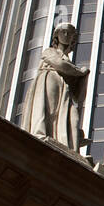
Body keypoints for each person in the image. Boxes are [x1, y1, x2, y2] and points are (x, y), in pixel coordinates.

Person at [20, 23, 89, 152]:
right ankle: (43, 135)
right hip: (50, 79)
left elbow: (79, 96)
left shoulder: (69, 63)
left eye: (69, 34)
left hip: (65, 89)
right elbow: (59, 64)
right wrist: (80, 72)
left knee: (74, 118)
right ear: (57, 36)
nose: (66, 35)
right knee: (48, 110)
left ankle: (70, 147)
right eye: (63, 32)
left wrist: (84, 77)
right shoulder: (49, 51)